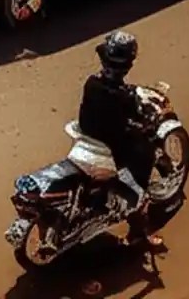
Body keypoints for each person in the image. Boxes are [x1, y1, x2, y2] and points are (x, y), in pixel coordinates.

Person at [77, 30, 164, 246]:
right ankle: (138, 231)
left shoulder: (92, 83)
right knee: (143, 158)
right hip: (112, 142)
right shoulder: (122, 97)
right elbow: (129, 120)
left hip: (89, 133)